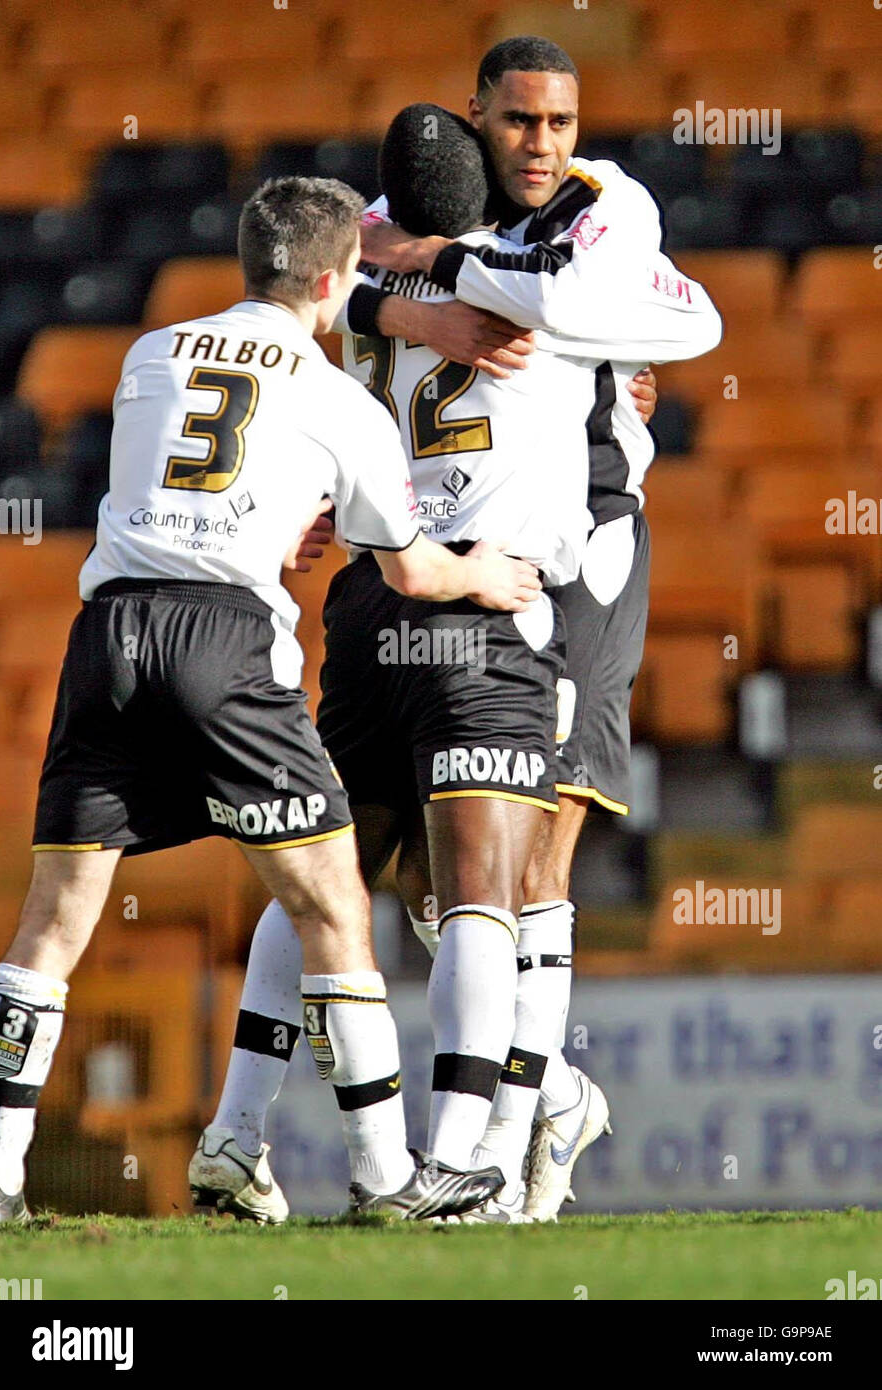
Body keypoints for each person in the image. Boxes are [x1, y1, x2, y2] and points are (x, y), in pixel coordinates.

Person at [191, 74, 720, 1220]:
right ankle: (491, 1140)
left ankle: (262, 1132)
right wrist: (433, 293)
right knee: (478, 881)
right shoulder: (523, 274)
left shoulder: (387, 275)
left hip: (409, 581)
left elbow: (303, 304)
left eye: (556, 123)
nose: (541, 147)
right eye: (516, 125)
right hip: (499, 583)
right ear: (481, 134)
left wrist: (398, 298)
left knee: (348, 876)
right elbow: (662, 321)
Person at [0, 174, 544, 1226]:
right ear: (333, 282)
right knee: (331, 905)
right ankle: (387, 1181)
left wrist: (272, 526)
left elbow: (173, 487)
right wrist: (487, 579)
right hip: (224, 639)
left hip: (109, 631)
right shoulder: (339, 397)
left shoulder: (150, 352)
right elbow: (412, 570)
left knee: (49, 926)